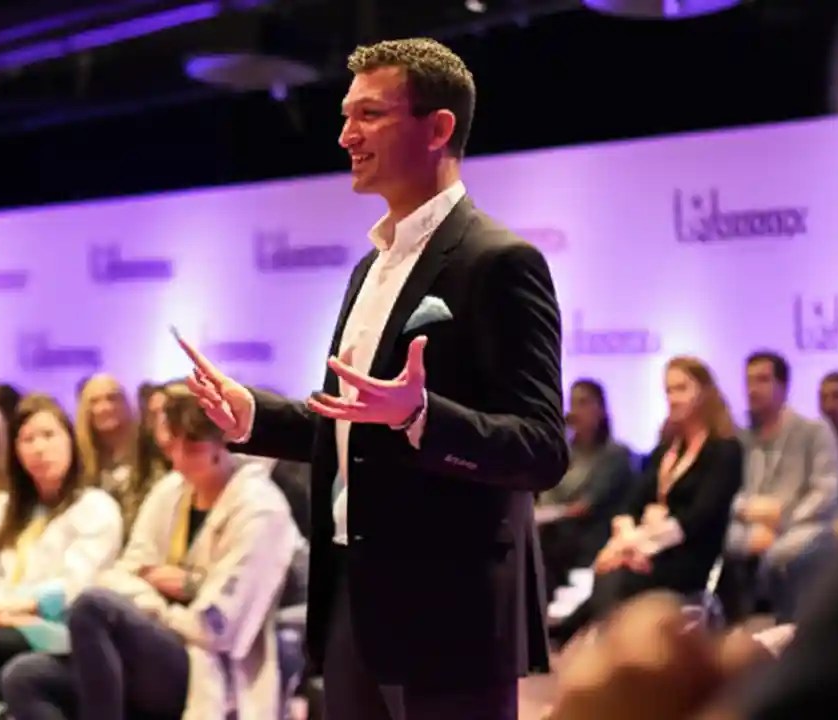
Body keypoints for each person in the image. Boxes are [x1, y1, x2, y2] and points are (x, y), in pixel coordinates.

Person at [177, 37, 567, 720]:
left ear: (438, 128)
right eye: (345, 115)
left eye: (369, 116)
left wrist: (423, 416)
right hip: (357, 601)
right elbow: (357, 422)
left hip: (453, 617)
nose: (344, 136)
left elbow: (540, 448)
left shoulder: (501, 261)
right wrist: (254, 417)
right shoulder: (371, 266)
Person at [546, 0, 838, 716]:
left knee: (775, 556)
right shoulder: (671, 447)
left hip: (712, 560)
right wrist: (628, 536)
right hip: (684, 562)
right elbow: (663, 507)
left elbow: (753, 513)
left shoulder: (764, 451)